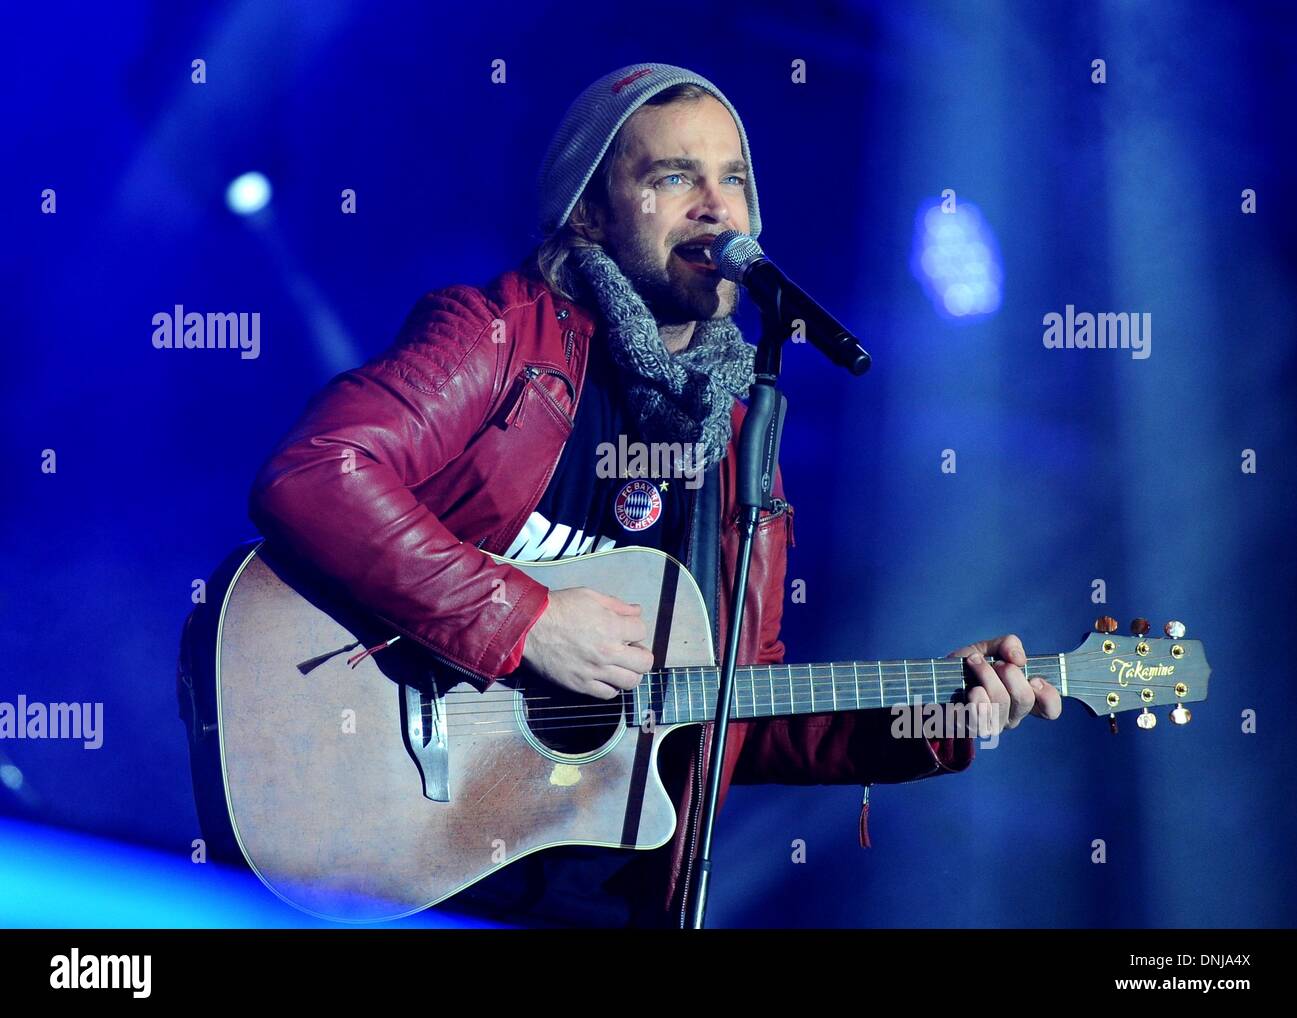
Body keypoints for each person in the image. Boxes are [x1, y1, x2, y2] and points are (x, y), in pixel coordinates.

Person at [245, 63, 1062, 928]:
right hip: (423, 863)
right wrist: (526, 621)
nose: (715, 206)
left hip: (611, 905)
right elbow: (314, 474)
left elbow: (735, 708)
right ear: (589, 211)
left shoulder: (743, 436)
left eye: (733, 178)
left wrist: (931, 716)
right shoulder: (497, 337)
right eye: (673, 177)